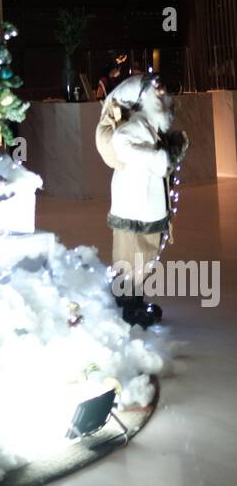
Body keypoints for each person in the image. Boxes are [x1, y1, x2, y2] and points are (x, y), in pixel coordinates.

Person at [95, 74, 188, 326]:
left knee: (142, 259)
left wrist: (168, 151)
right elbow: (120, 142)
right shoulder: (137, 124)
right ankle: (129, 309)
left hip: (145, 206)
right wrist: (159, 159)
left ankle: (133, 303)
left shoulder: (149, 125)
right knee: (132, 258)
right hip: (135, 207)